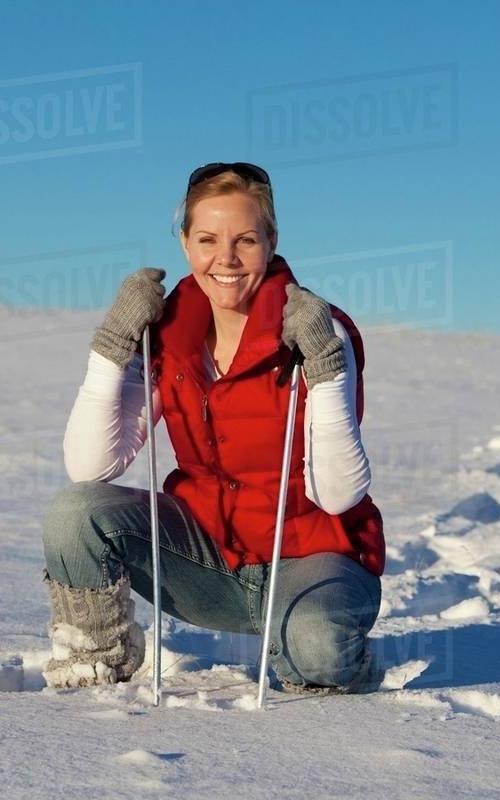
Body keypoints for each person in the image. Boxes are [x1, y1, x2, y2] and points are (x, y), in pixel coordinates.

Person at [40, 162, 386, 694]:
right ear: (184, 243)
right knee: (75, 514)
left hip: (311, 560)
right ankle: (97, 663)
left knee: (316, 650)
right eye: (207, 239)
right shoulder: (167, 335)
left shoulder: (322, 330)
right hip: (206, 561)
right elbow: (90, 467)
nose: (225, 259)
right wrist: (113, 347)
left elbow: (339, 495)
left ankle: (337, 653)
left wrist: (325, 364)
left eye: (245, 239)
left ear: (271, 241)